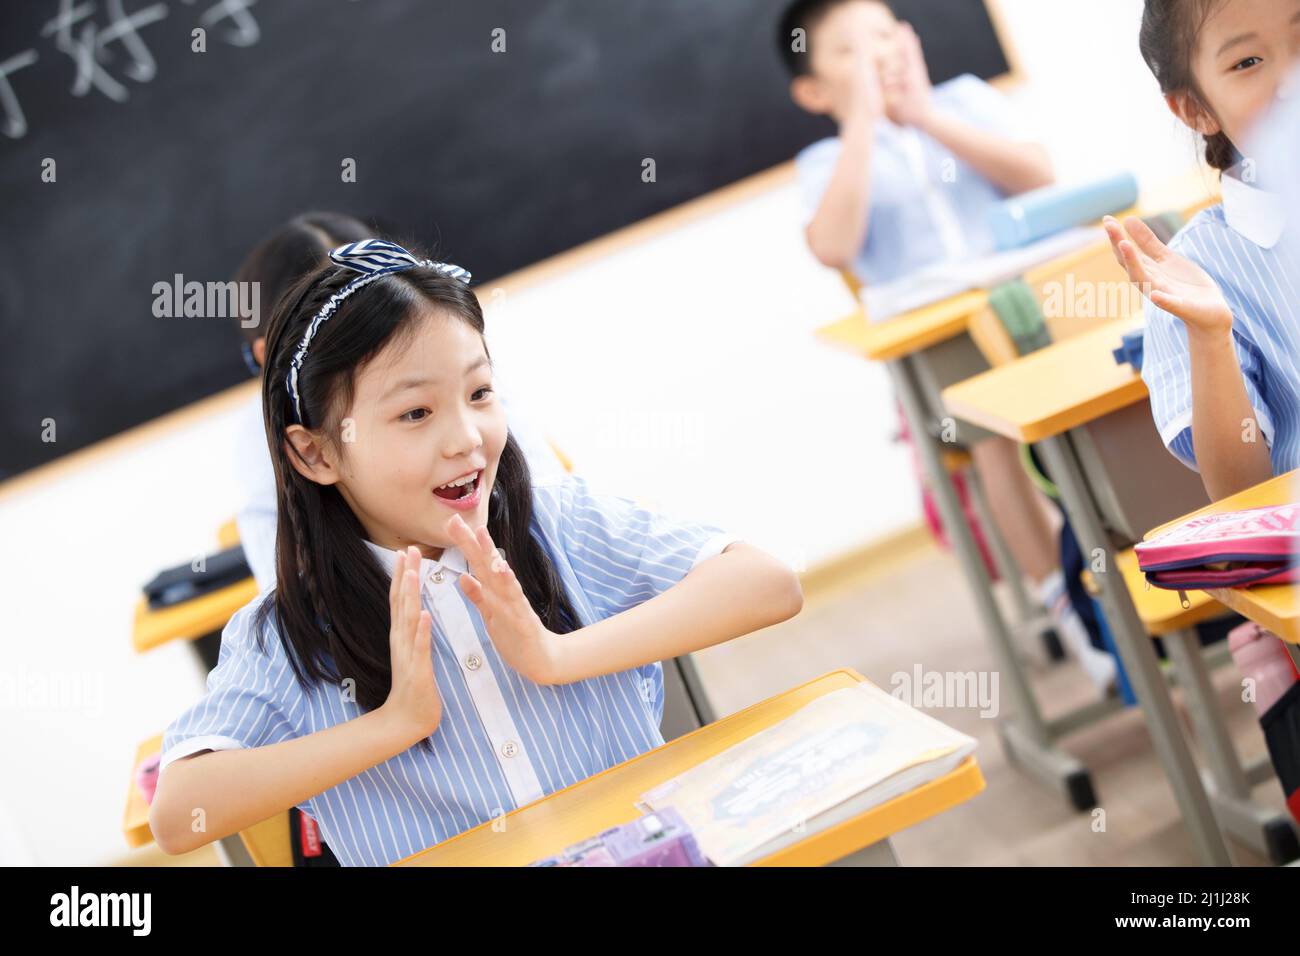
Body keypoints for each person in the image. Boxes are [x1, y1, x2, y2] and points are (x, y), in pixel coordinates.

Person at [150, 238, 803, 865]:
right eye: (415, 414)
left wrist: (556, 655)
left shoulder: (556, 525)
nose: (465, 437)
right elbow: (181, 813)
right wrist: (395, 724)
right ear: (315, 452)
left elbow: (768, 583)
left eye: (479, 393)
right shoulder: (286, 634)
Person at [779, 0, 1116, 689]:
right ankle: (1067, 601)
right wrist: (867, 124)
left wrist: (925, 116)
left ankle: (1137, 560)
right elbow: (833, 243)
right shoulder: (829, 159)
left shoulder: (962, 101)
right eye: (845, 51)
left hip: (1029, 307)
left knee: (1106, 390)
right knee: (991, 438)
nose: (872, 54)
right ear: (813, 91)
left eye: (882, 34)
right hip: (943, 342)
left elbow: (1039, 176)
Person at [1105, 0, 1300, 502]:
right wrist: (1211, 338)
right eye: (1247, 63)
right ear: (1197, 108)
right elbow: (1243, 496)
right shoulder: (1204, 268)